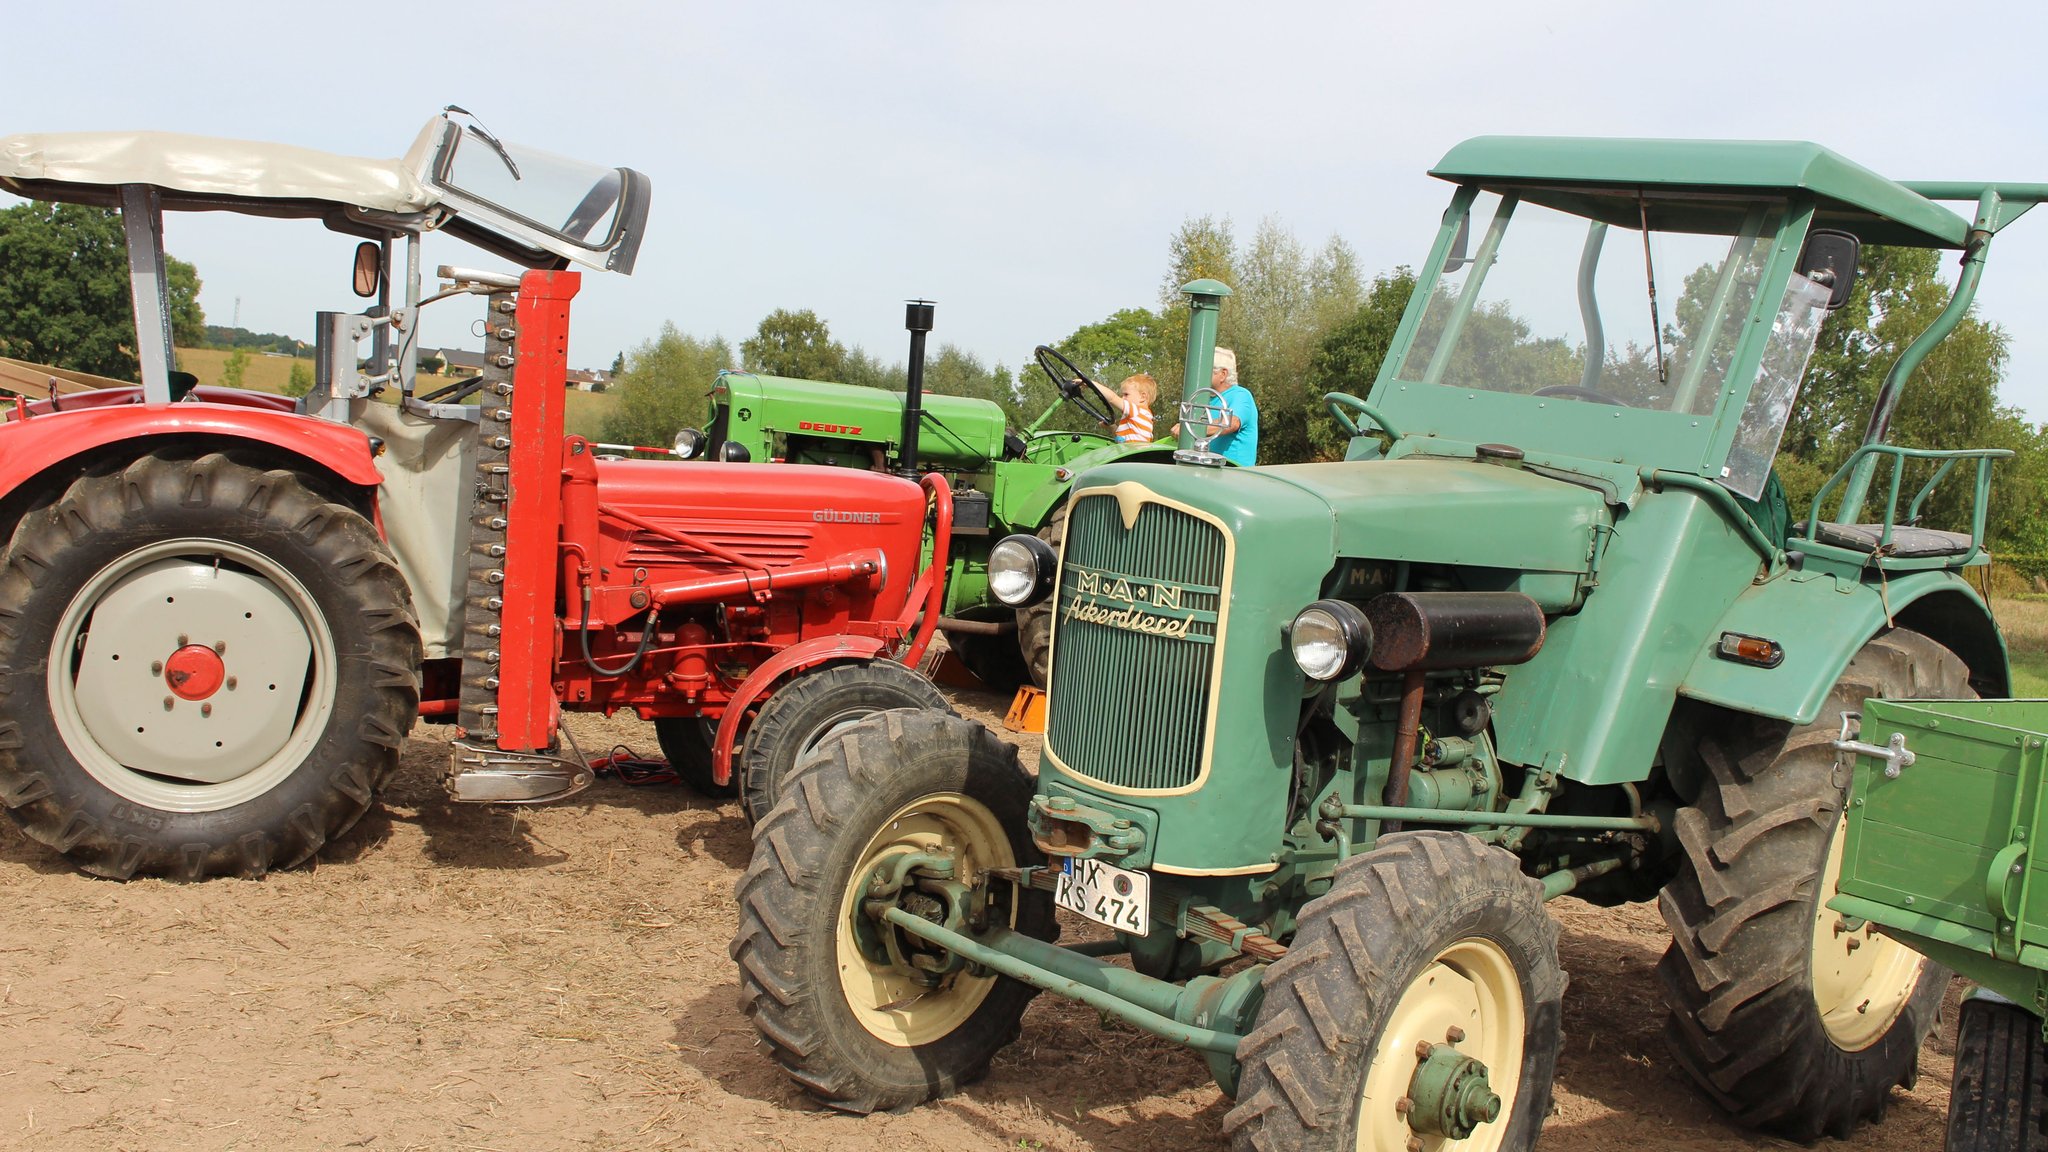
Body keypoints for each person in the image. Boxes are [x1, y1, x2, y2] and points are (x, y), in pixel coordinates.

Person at [1198, 347, 1258, 465]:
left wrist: (1191, 428)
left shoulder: (1241, 395)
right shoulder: (1205, 398)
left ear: (1223, 374)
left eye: (1206, 369)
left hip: (1233, 472)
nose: (1200, 374)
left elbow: (1231, 423)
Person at [1087, 372, 1157, 443]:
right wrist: (1112, 427)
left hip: (1133, 449)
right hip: (1130, 449)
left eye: (1126, 394)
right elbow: (1122, 440)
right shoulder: (1142, 416)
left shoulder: (1136, 411)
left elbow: (1112, 398)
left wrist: (1090, 383)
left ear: (1142, 397)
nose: (1122, 398)